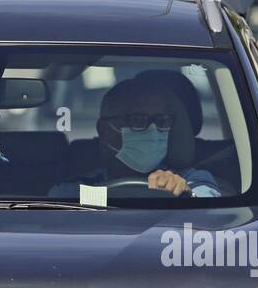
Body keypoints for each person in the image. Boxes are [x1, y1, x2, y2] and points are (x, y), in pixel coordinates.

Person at [56, 74, 221, 198]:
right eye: (137, 120)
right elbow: (63, 206)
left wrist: (183, 193)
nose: (152, 130)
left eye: (161, 121)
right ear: (105, 130)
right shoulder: (76, 189)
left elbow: (210, 209)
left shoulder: (193, 179)